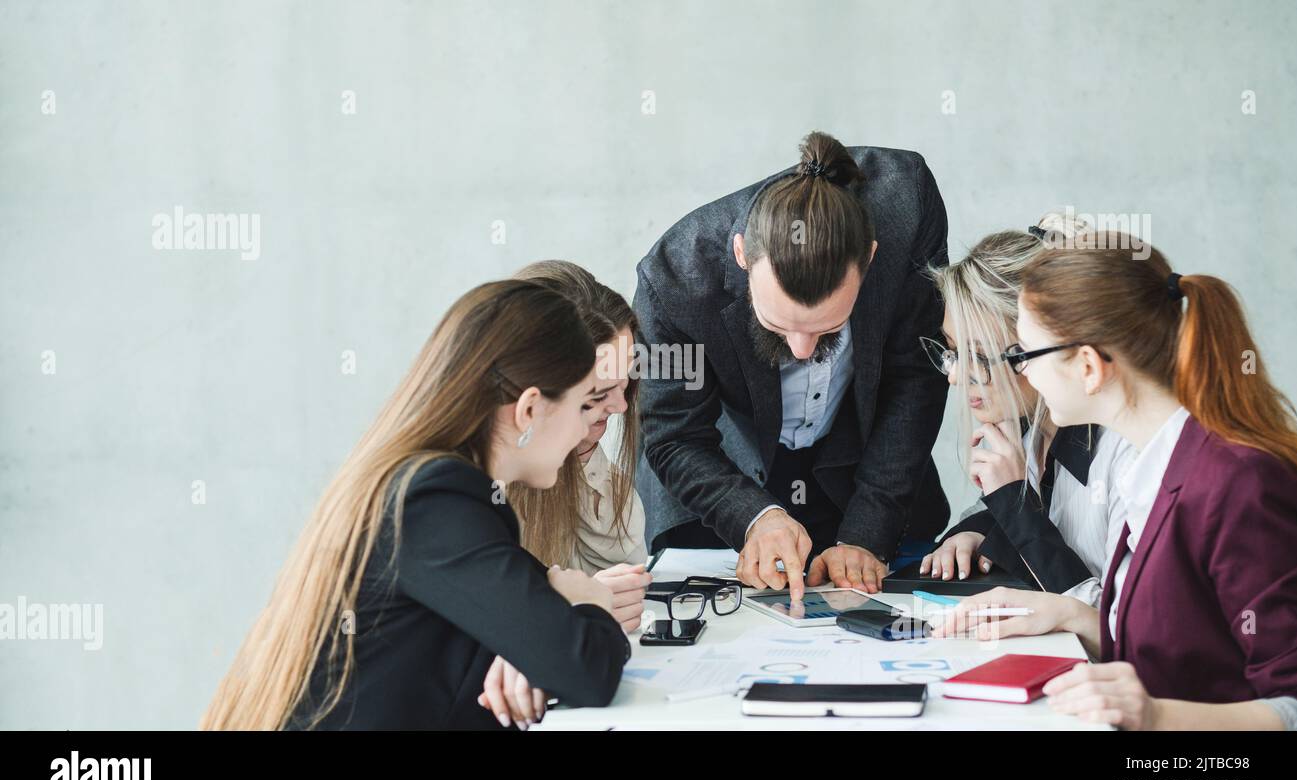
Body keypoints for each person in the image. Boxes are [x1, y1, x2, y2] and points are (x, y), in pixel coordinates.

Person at [201, 280, 630, 731]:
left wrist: (539, 639)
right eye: (585, 406)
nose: (587, 428)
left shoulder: (432, 489)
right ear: (529, 411)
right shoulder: (435, 502)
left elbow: (536, 624)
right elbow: (584, 670)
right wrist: (590, 605)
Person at [934, 232, 1297, 730]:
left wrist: (1153, 715)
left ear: (1087, 366)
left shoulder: (1238, 483)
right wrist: (1069, 616)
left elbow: (1290, 703)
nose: (1025, 378)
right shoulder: (1156, 468)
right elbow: (1180, 651)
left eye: (1024, 357)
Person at [634, 131, 951, 600]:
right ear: (742, 256)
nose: (802, 350)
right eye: (779, 325)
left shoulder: (908, 203)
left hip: (858, 467)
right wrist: (754, 517)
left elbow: (917, 376)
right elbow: (675, 435)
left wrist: (866, 532)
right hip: (724, 477)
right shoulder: (675, 278)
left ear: (869, 259)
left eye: (828, 328)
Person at [917, 218, 1135, 604]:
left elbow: (1119, 625)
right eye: (952, 350)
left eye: (979, 356)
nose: (956, 376)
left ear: (1036, 346)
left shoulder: (1123, 455)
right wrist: (977, 527)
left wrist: (1012, 503)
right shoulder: (1031, 429)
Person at [510, 260, 652, 634]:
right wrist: (565, 606)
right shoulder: (474, 486)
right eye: (600, 393)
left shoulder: (569, 456)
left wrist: (585, 447)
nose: (622, 407)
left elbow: (626, 566)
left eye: (625, 385)